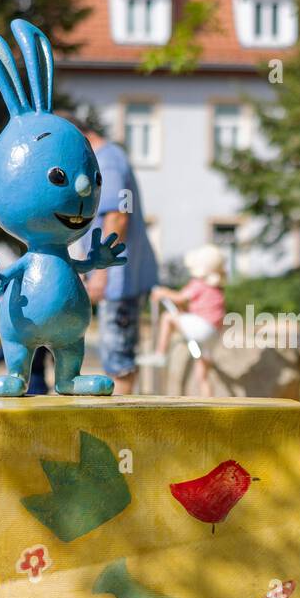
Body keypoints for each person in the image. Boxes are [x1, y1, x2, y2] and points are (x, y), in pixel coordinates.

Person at [78, 115, 159, 395]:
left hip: (118, 281)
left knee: (118, 361)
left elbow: (116, 216)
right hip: (118, 279)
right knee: (118, 357)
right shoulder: (110, 158)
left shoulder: (107, 161)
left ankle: (119, 434)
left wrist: (101, 273)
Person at [146, 243, 227, 396]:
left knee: (168, 317)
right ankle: (210, 403)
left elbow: (179, 298)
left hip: (201, 328)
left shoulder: (198, 283)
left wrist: (163, 292)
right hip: (214, 335)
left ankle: (160, 354)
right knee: (202, 373)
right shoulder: (217, 289)